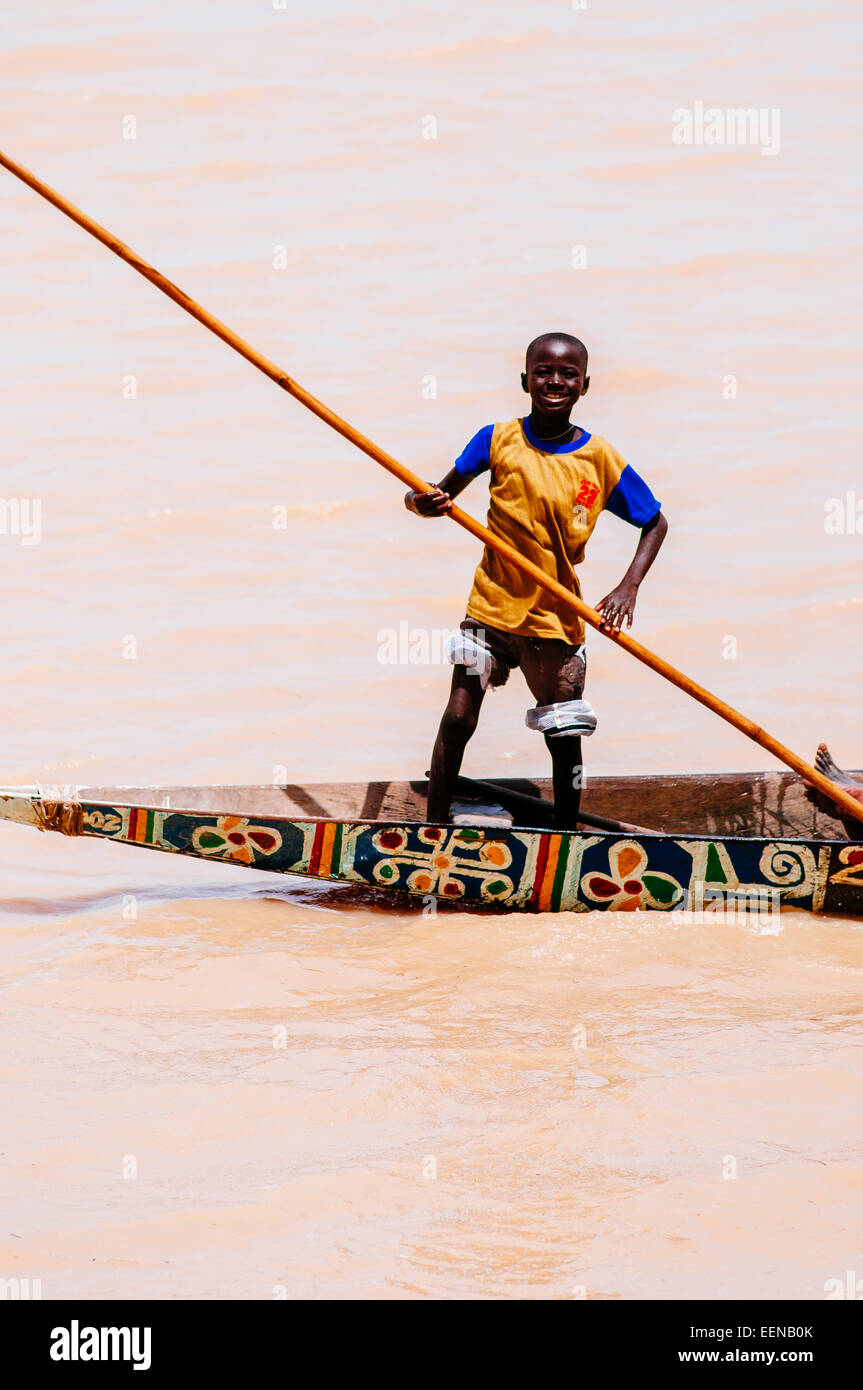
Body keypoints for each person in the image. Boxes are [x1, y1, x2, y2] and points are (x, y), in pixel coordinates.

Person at [405, 331, 668, 827]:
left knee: (563, 735)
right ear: (525, 380)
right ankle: (435, 828)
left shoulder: (600, 459)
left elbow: (655, 522)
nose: (554, 381)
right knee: (458, 718)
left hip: (554, 615)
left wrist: (628, 586)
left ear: (585, 385)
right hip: (492, 605)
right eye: (543, 372)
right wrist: (422, 504)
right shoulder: (496, 439)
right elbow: (432, 498)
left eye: (567, 374)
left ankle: (565, 836)